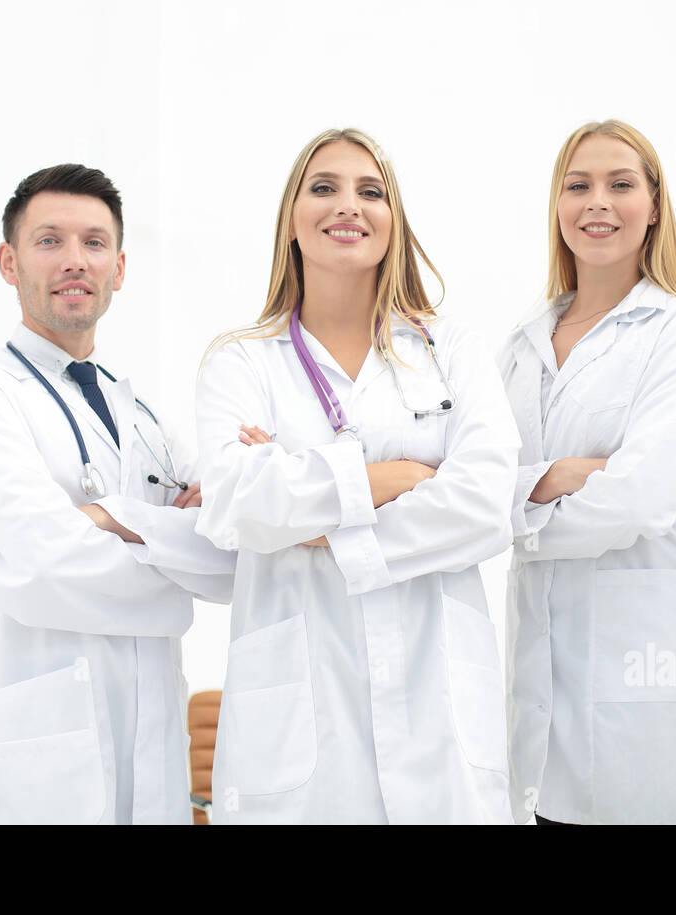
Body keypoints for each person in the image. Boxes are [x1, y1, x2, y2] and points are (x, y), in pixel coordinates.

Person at [191, 128, 519, 824]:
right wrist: (395, 476)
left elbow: (486, 501)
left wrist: (318, 523)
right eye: (324, 187)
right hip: (299, 732)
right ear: (291, 218)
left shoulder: (450, 348)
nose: (349, 205)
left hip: (441, 721)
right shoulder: (241, 361)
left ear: (393, 221)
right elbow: (236, 501)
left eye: (371, 191)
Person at [0, 164, 234, 824]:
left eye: (94, 243)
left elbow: (230, 550)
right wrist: (166, 543)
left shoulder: (142, 413)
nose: (74, 260)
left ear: (118, 268)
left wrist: (107, 518)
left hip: (151, 756)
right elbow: (44, 563)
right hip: (34, 763)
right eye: (49, 241)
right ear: (9, 262)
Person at [499, 121, 676, 825]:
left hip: (650, 672)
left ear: (654, 206)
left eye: (620, 184)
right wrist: (561, 476)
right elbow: (473, 486)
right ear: (557, 205)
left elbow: (639, 501)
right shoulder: (521, 342)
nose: (597, 202)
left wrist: (515, 510)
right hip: (544, 681)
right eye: (579, 185)